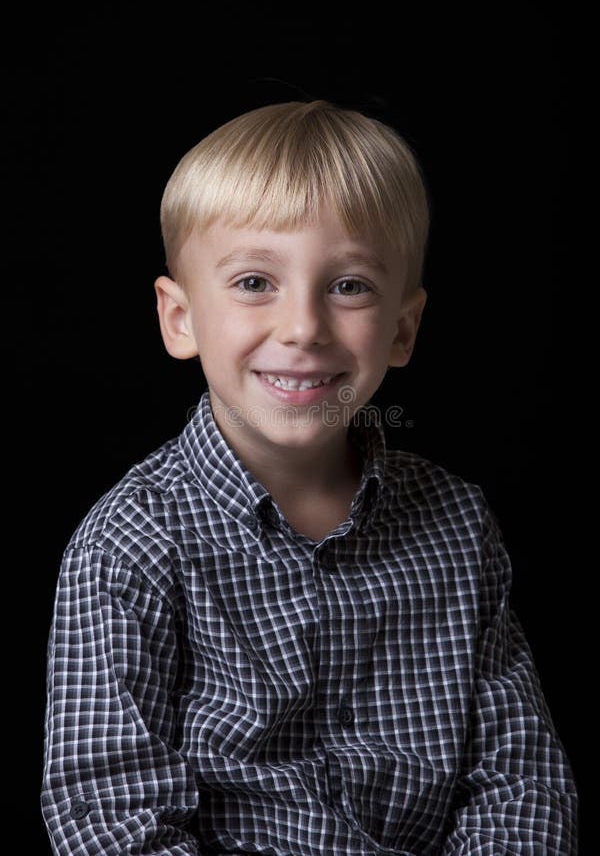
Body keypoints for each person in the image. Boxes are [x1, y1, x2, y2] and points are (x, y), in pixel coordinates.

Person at [41, 100, 577, 854]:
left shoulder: (456, 524)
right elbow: (109, 815)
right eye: (255, 281)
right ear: (179, 318)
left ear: (401, 329)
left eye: (349, 285)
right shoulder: (131, 545)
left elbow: (520, 779)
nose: (302, 327)